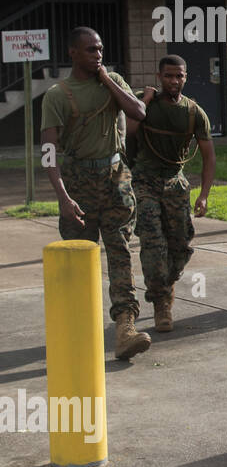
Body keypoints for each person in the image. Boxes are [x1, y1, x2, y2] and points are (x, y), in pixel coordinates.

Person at [39, 27, 151, 360]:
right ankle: (76, 331)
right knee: (79, 261)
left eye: (100, 49)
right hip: (78, 186)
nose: (97, 54)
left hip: (116, 180)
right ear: (73, 53)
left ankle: (126, 329)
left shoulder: (113, 80)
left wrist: (104, 77)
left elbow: (138, 113)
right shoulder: (58, 94)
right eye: (90, 50)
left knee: (120, 253)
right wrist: (62, 196)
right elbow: (48, 149)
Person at [126, 55, 215, 333]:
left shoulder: (193, 112)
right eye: (168, 76)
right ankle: (161, 302)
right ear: (159, 76)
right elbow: (128, 130)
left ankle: (167, 284)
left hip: (176, 185)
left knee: (180, 246)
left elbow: (209, 156)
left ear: (185, 77)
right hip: (145, 182)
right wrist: (147, 101)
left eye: (179, 76)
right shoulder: (144, 102)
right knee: (154, 245)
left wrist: (204, 195)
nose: (174, 81)